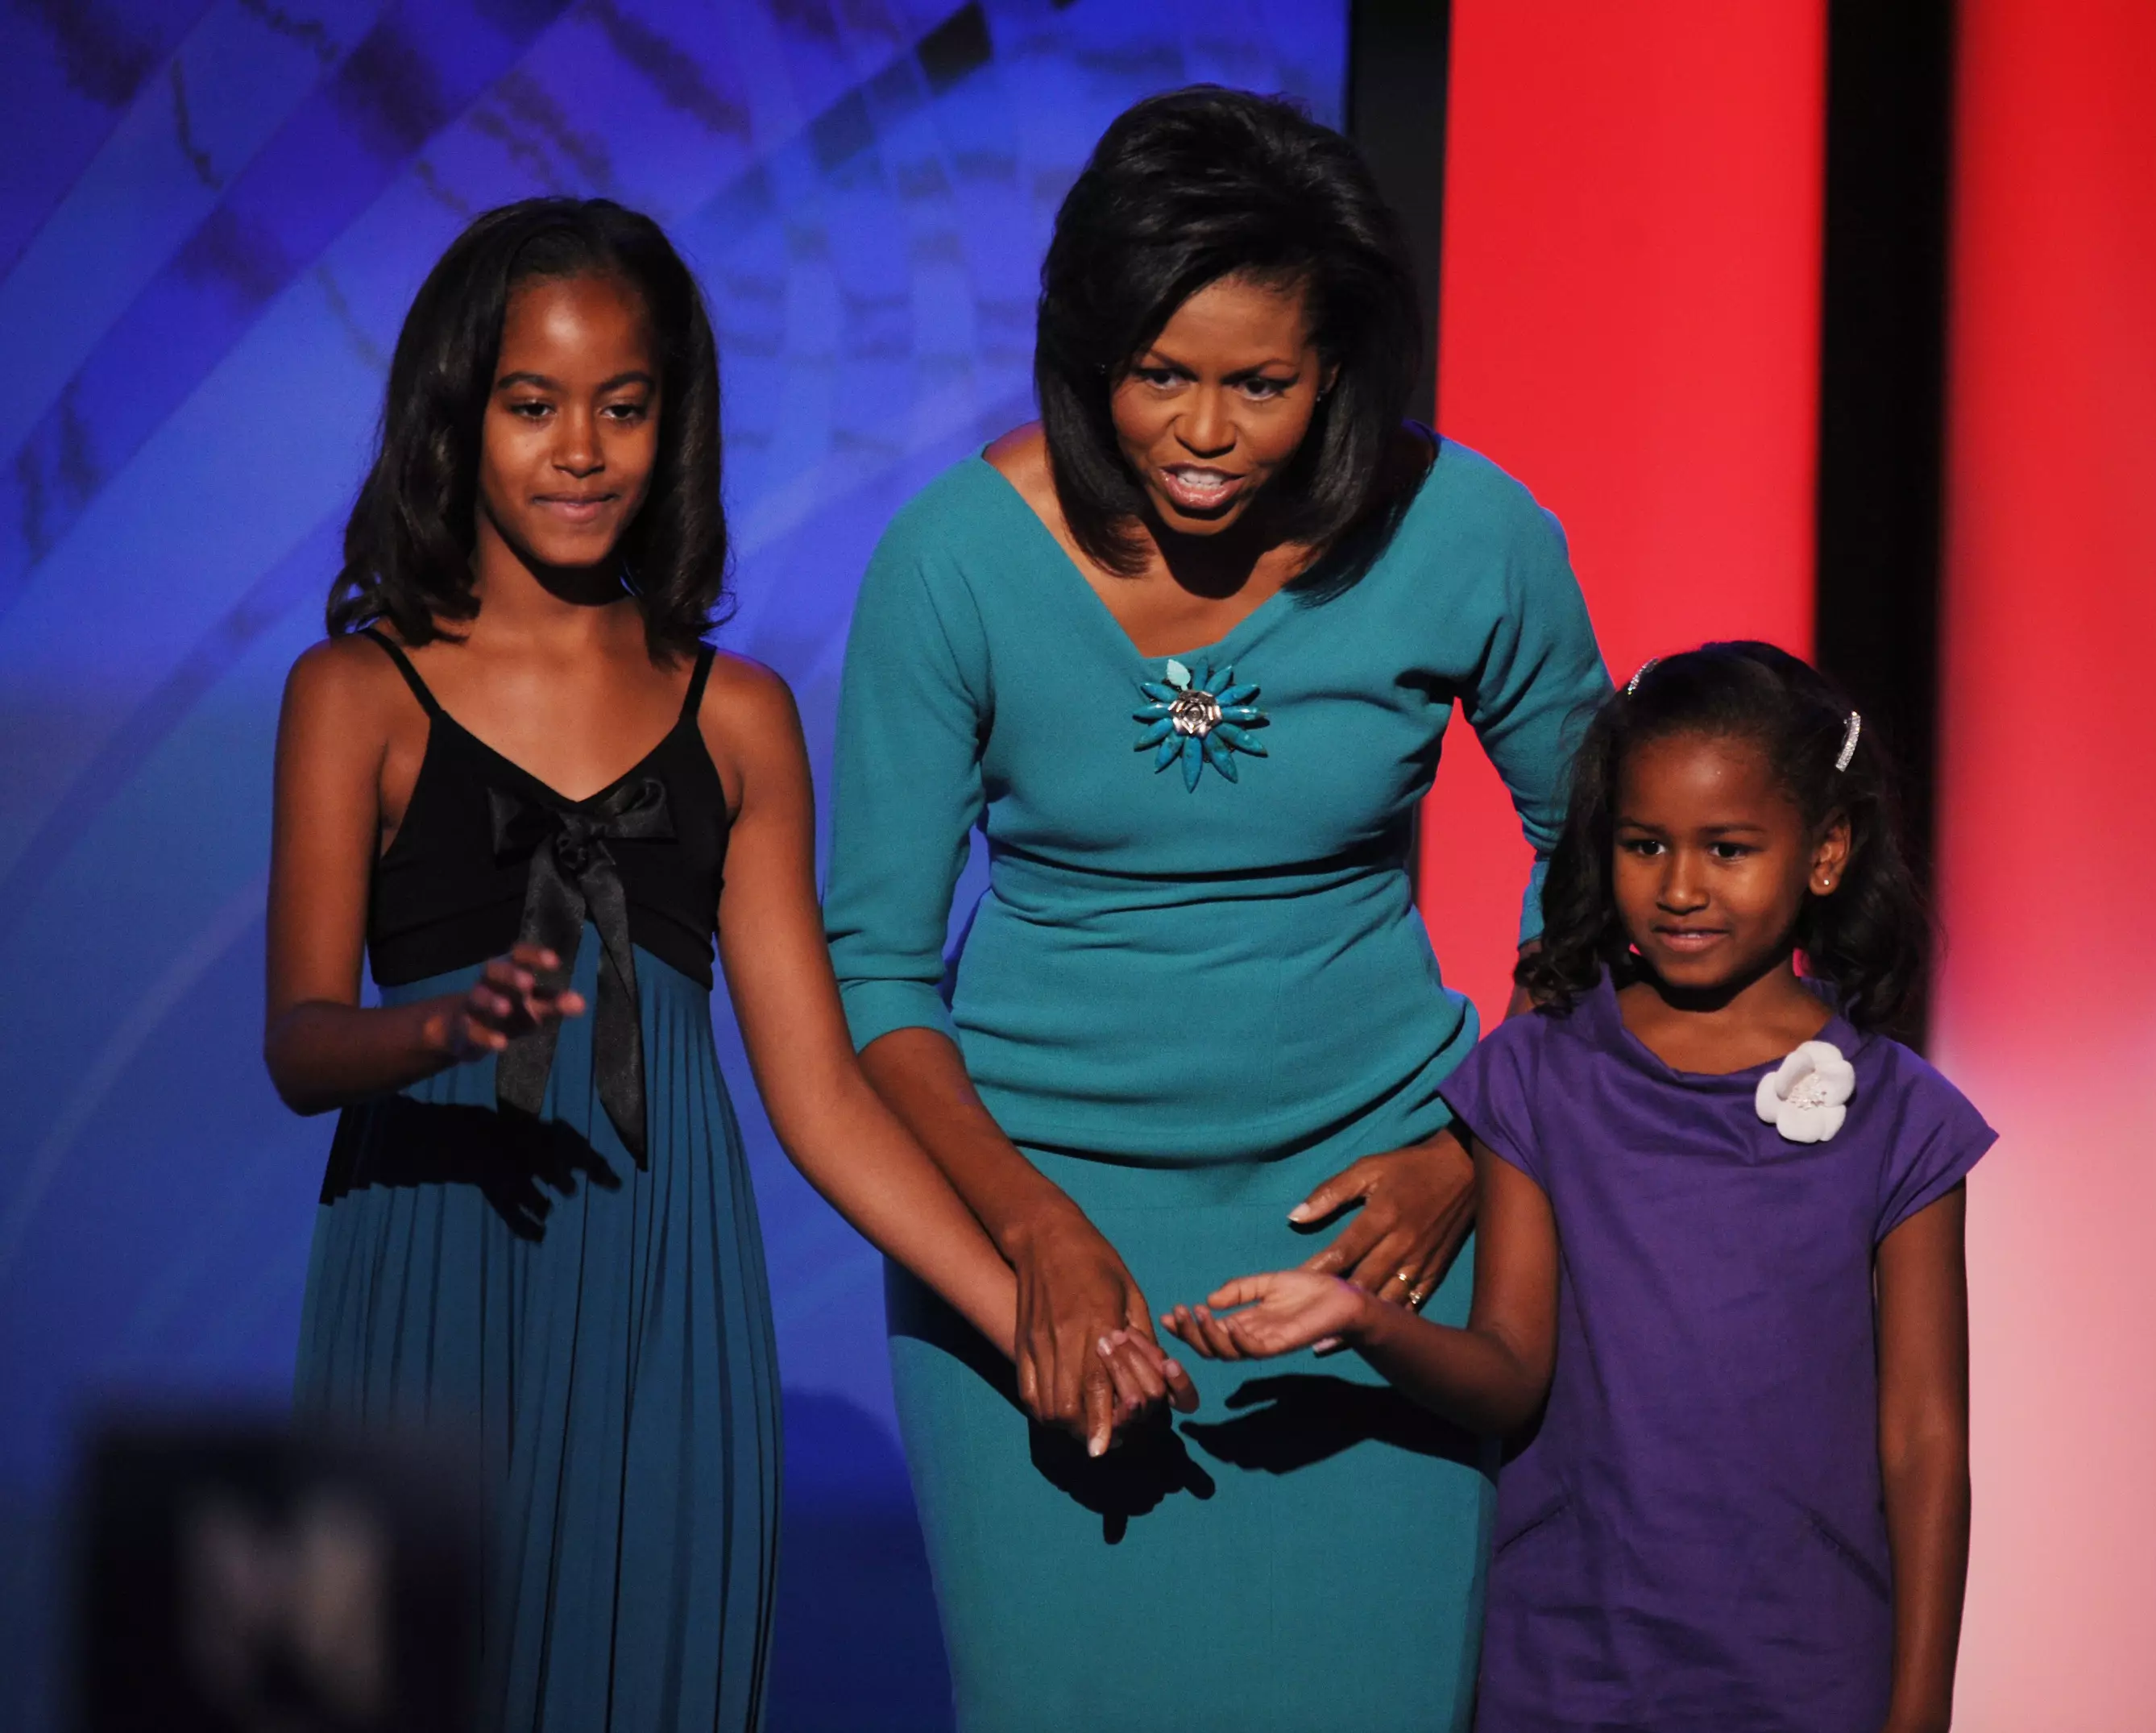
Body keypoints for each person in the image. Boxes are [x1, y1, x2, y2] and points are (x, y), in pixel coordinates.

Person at [822, 86, 1610, 1731]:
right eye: (1159, 375)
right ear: (1088, 349)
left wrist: (1473, 1146)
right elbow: (877, 973)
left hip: (1375, 1233)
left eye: (1261, 385)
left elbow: (1602, 851)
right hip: (1034, 1235)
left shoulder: (1469, 534)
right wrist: (1033, 1235)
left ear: (1341, 368)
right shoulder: (953, 564)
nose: (1199, 431)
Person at [265, 197, 1036, 1733]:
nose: (581, 450)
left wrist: (1020, 1318)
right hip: (425, 1278)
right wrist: (440, 1029)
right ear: (454, 414)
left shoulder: (738, 715)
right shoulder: (356, 691)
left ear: (671, 425)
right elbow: (298, 1043)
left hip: (664, 1307)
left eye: (624, 408)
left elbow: (818, 1097)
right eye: (533, 406)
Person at [1167, 642, 1992, 1733]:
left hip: (1808, 1669)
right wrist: (1362, 1318)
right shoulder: (1539, 1073)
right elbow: (1511, 1371)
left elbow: (1926, 1437)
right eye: (1644, 844)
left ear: (1826, 852)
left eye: (1728, 848)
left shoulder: (1903, 1117)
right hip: (1570, 1663)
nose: (1682, 885)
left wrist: (1920, 1704)